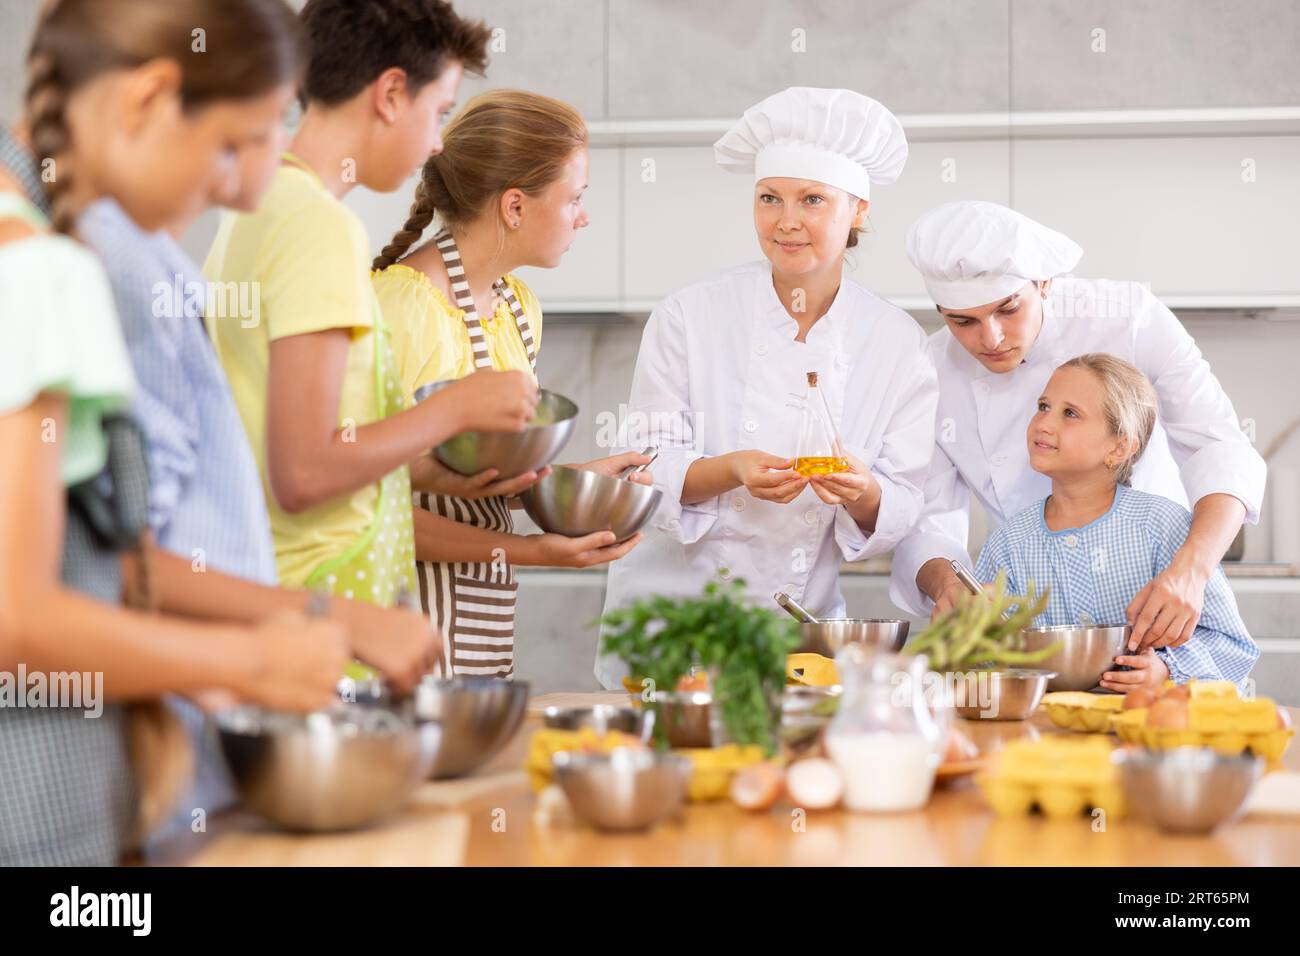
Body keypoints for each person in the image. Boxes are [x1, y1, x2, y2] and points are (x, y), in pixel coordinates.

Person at [0, 0, 346, 867]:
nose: (239, 187)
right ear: (149, 97)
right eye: (233, 142)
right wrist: (256, 662)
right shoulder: (40, 274)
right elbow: (14, 620)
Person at [596, 87, 939, 688]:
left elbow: (907, 497)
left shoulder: (896, 342)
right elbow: (645, 465)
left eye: (812, 199)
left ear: (858, 209)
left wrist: (861, 491)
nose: (786, 220)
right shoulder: (689, 314)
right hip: (671, 626)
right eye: (769, 198)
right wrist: (732, 469)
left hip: (798, 632)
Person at [203, 0, 536, 616]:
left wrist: (435, 476)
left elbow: (290, 441)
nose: (437, 141)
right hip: (319, 597)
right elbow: (302, 473)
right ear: (389, 94)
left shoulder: (260, 206)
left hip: (272, 587)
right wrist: (455, 407)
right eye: (437, 111)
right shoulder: (318, 225)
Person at [891, 200, 1265, 656]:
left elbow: (1218, 446)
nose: (989, 338)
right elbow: (926, 519)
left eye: (1008, 310)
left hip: (1155, 601)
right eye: (962, 321)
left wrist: (1191, 568)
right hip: (1037, 617)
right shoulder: (930, 370)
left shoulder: (1127, 318)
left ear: (1043, 283)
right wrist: (949, 584)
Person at [373, 90, 649, 678]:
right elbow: (376, 506)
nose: (584, 215)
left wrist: (564, 487)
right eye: (574, 197)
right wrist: (529, 551)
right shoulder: (405, 306)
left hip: (482, 614)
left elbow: (471, 473)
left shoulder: (518, 307)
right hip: (402, 622)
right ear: (515, 207)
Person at [974, 354, 1258, 692]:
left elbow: (1231, 647)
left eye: (1070, 413)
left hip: (1153, 732)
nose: (1043, 423)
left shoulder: (1163, 526)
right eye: (1043, 406)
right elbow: (982, 663)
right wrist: (976, 633)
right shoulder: (1008, 542)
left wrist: (1167, 670)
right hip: (1049, 735)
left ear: (1119, 447)